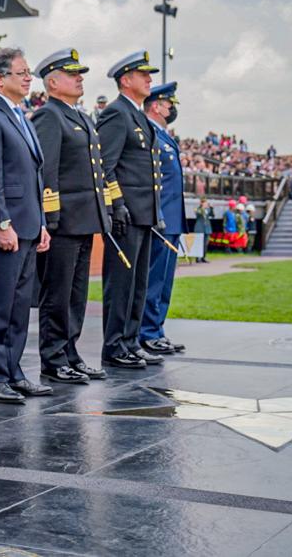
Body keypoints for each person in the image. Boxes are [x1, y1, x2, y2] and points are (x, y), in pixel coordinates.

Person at [0, 48, 53, 403]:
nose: (28, 78)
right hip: (7, 226)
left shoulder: (20, 115)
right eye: (21, 72)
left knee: (20, 304)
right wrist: (1, 221)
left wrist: (40, 223)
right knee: (0, 304)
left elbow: (33, 175)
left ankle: (13, 370)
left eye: (28, 73)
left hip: (28, 224)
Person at [30, 48, 110, 383]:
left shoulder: (81, 117)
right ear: (52, 81)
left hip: (84, 219)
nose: (80, 79)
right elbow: (46, 170)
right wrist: (50, 218)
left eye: (81, 74)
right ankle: (53, 357)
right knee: (58, 293)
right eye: (72, 74)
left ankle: (70, 352)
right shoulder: (50, 115)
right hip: (62, 221)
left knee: (77, 293)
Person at [96, 51, 164, 369]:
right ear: (126, 80)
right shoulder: (116, 114)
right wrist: (117, 204)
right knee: (121, 283)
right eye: (144, 74)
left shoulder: (137, 115)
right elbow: (105, 167)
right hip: (126, 214)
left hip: (144, 214)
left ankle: (130, 341)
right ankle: (114, 345)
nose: (150, 79)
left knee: (138, 283)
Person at [139, 82, 187, 355]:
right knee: (154, 279)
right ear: (156, 106)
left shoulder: (163, 136)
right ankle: (147, 333)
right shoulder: (149, 134)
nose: (172, 109)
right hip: (159, 220)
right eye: (169, 104)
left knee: (165, 281)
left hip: (171, 218)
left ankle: (157, 329)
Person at [193, 197, 213, 263]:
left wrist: (211, 208)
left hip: (207, 229)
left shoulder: (208, 210)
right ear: (201, 203)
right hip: (199, 229)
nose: (206, 204)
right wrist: (203, 208)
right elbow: (198, 213)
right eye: (204, 203)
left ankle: (203, 257)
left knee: (205, 244)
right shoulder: (198, 209)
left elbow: (212, 215)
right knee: (199, 244)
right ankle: (197, 257)